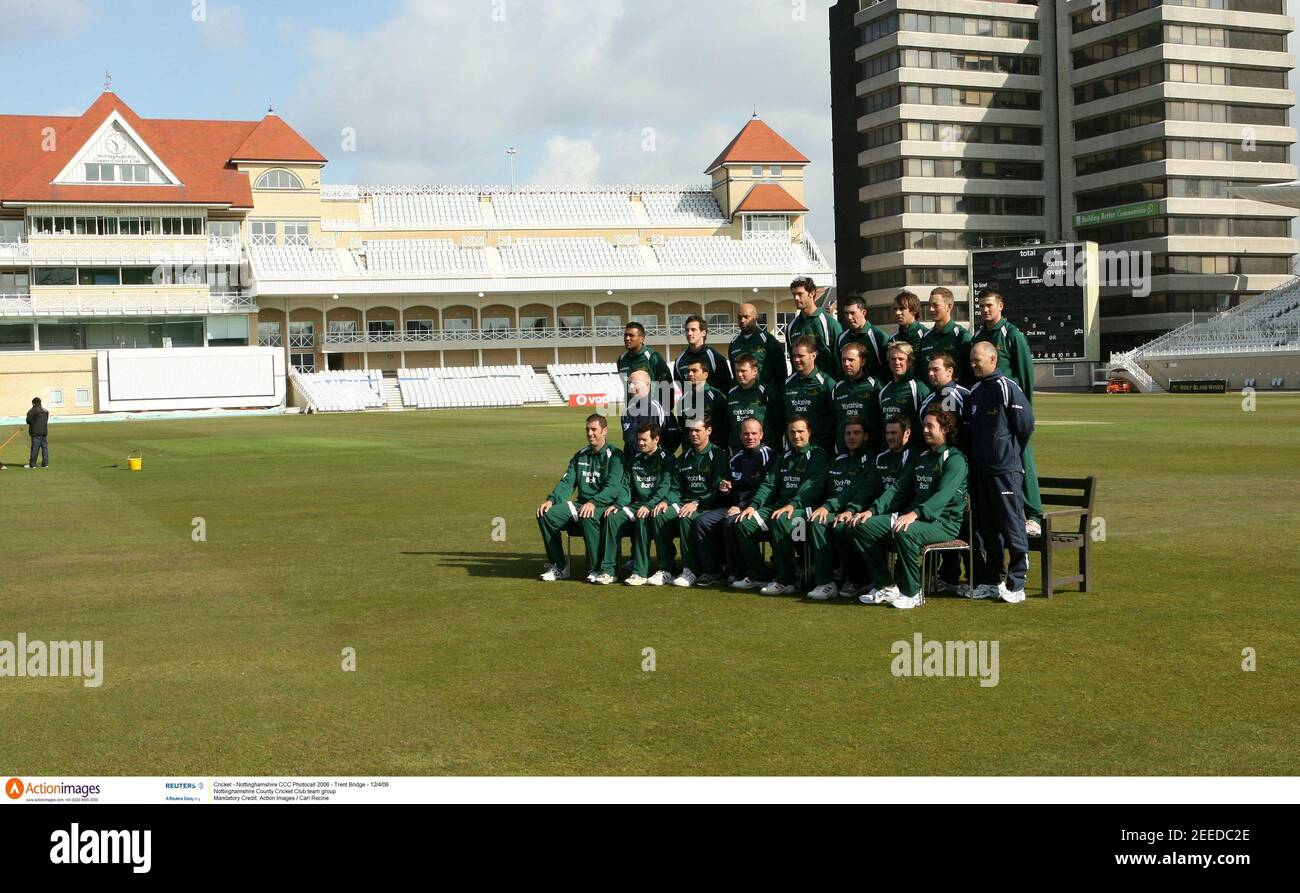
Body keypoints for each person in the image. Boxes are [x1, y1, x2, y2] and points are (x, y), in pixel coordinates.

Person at [852, 407, 969, 610]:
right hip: (914, 518)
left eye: (930, 426)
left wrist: (915, 514)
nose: (925, 430)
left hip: (943, 523)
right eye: (924, 426)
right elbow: (899, 488)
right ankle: (886, 586)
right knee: (862, 526)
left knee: (905, 533)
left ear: (945, 429)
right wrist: (873, 510)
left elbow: (942, 496)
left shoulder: (955, 459)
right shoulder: (922, 457)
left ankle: (914, 592)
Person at [966, 341, 1035, 604]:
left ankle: (1017, 583)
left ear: (993, 360)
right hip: (981, 472)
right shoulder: (974, 391)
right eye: (971, 360)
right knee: (987, 528)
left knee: (1011, 523)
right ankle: (992, 580)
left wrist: (1006, 451)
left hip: (1005, 471)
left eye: (978, 360)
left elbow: (1026, 426)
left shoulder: (1007, 388)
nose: (973, 364)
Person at [971, 288, 1043, 533]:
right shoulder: (978, 336)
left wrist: (1024, 411)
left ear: (1001, 306)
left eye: (989, 305)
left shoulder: (1011, 334)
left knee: (1022, 456)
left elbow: (1025, 376)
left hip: (1010, 408)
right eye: (981, 306)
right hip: (986, 409)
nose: (985, 310)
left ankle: (1033, 514)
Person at [732, 415, 829, 595]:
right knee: (744, 523)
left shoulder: (818, 455)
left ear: (809, 432)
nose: (796, 435)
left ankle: (786, 580)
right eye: (792, 432)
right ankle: (758, 575)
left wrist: (793, 504)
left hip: (806, 508)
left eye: (800, 431)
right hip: (780, 506)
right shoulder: (784, 456)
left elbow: (812, 487)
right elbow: (769, 484)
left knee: (781, 521)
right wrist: (753, 505)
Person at [536, 414, 625, 582]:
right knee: (545, 514)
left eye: (594, 429)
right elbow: (567, 482)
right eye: (587, 429)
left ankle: (597, 568)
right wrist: (552, 499)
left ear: (604, 431)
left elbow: (613, 488)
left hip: (605, 506)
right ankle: (559, 567)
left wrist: (593, 502)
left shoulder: (615, 455)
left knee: (587, 514)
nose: (590, 433)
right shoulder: (581, 455)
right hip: (581, 504)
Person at [692, 417, 775, 585]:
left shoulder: (768, 455)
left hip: (756, 507)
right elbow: (730, 486)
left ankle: (740, 572)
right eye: (746, 433)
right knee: (701, 522)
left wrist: (743, 507)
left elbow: (768, 489)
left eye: (753, 433)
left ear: (761, 434)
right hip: (733, 506)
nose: (750, 437)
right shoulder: (736, 458)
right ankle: (714, 571)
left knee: (730, 522)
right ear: (740, 436)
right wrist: (724, 489)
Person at [650, 417, 729, 587]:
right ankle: (666, 570)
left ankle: (691, 570)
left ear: (708, 431)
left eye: (697, 430)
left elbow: (717, 490)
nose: (693, 434)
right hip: (685, 502)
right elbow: (676, 488)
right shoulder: (684, 456)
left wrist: (697, 503)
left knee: (686, 516)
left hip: (708, 505)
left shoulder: (719, 455)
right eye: (691, 430)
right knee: (660, 514)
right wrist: (666, 501)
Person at [595, 422, 675, 586]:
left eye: (644, 440)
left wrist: (650, 505)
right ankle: (609, 571)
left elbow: (665, 487)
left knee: (643, 518)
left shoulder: (667, 459)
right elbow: (627, 487)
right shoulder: (635, 460)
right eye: (639, 440)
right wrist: (618, 505)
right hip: (637, 505)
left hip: (658, 504)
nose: (640, 443)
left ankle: (640, 572)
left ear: (656, 439)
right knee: (613, 517)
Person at [805, 416, 870, 600]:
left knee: (843, 528)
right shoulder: (836, 460)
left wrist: (829, 506)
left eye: (856, 433)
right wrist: (795, 504)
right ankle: (825, 582)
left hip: (858, 511)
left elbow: (856, 488)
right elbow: (817, 485)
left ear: (865, 436)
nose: (851, 437)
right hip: (834, 510)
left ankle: (858, 579)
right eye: (848, 433)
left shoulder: (870, 460)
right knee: (816, 521)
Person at [782, 336, 835, 453]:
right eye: (794, 356)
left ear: (813, 355)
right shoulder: (787, 383)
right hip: (793, 450)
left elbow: (835, 418)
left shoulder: (827, 383)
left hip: (821, 450)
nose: (796, 360)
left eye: (801, 356)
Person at [728, 302, 787, 406]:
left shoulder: (768, 340)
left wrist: (775, 395)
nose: (742, 320)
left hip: (765, 398)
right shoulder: (734, 343)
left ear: (755, 318)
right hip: (742, 398)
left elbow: (781, 373)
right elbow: (734, 373)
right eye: (739, 317)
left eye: (746, 317)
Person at [785, 276, 842, 379]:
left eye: (800, 294)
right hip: (801, 389)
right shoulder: (791, 327)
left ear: (811, 293)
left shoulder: (830, 324)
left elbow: (840, 362)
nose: (796, 298)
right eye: (794, 294)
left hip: (825, 388)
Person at [832, 341, 883, 454]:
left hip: (870, 452)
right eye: (843, 360)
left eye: (851, 360)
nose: (846, 364)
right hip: (843, 453)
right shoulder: (837, 388)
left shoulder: (875, 386)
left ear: (863, 361)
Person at [918, 287, 973, 385]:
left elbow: (969, 373)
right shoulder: (926, 337)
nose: (931, 309)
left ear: (949, 307)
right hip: (930, 397)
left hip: (954, 396)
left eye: (935, 305)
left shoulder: (961, 336)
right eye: (929, 305)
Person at [919, 351, 972, 452]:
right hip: (934, 459)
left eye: (936, 370)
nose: (930, 374)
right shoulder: (927, 400)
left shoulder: (965, 396)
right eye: (929, 370)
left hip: (961, 457)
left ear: (949, 371)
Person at [724, 354, 778, 452]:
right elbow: (726, 424)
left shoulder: (766, 392)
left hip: (762, 449)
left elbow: (778, 421)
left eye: (743, 371)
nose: (739, 374)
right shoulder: (731, 394)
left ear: (754, 371)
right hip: (737, 450)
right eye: (737, 371)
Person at [620, 370, 679, 456]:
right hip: (632, 466)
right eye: (629, 384)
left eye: (635, 383)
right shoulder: (626, 413)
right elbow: (628, 444)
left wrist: (656, 459)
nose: (630, 388)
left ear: (647, 384)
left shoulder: (660, 410)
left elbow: (674, 439)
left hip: (655, 467)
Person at [674, 357, 729, 451]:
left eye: (694, 371)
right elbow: (684, 428)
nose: (690, 374)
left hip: (714, 453)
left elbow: (725, 426)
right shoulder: (682, 400)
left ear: (705, 374)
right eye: (688, 371)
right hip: (690, 454)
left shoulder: (717, 396)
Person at [878, 342, 931, 436]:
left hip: (912, 447)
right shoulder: (883, 391)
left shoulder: (918, 388)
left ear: (909, 361)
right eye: (893, 359)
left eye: (901, 359)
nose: (897, 362)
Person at [837, 294, 891, 382]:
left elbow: (888, 367)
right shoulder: (841, 338)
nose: (849, 317)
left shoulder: (879, 336)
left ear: (863, 313)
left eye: (852, 313)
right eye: (846, 313)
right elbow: (839, 368)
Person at [673, 315, 732, 394]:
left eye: (693, 330)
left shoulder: (716, 358)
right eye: (687, 330)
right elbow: (682, 389)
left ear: (703, 333)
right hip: (691, 405)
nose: (689, 333)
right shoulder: (679, 361)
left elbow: (727, 388)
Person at [617, 322, 673, 389]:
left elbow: (668, 386)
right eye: (625, 335)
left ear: (642, 339)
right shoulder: (621, 360)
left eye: (631, 335)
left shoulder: (653, 357)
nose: (627, 338)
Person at [890, 290, 926, 374]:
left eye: (902, 308)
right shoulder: (893, 339)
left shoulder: (926, 335)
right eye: (895, 309)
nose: (897, 313)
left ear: (914, 311)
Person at [25, 397, 49, 469]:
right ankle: (45, 464)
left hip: (35, 433)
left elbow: (28, 420)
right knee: (44, 448)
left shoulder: (32, 410)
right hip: (44, 432)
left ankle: (32, 464)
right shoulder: (45, 411)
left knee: (35, 448)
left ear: (33, 403)